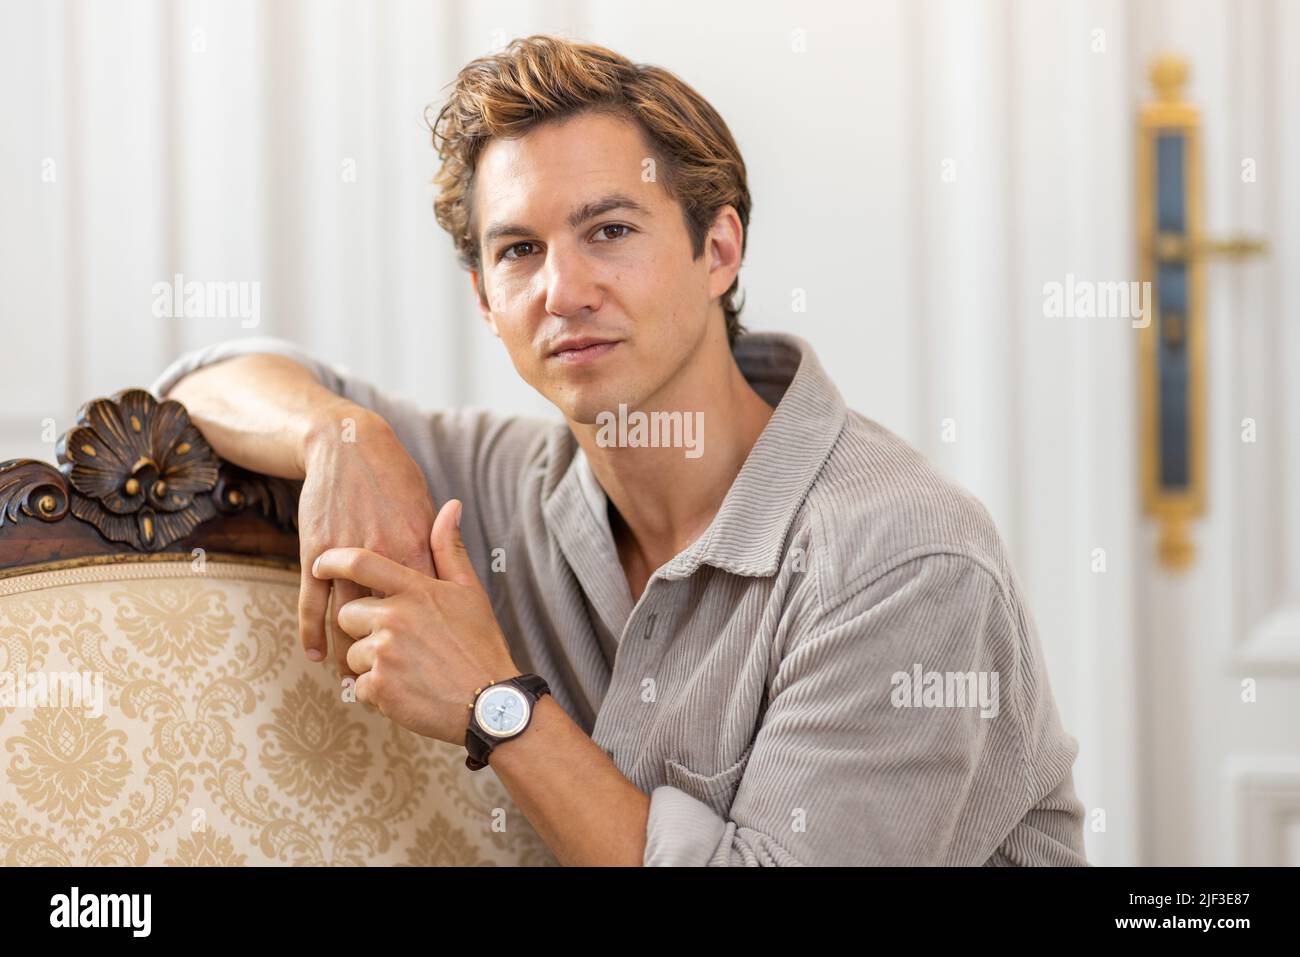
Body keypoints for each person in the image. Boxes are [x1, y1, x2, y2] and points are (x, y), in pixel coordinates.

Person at [152, 34, 1087, 867]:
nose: (564, 289)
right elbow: (207, 380)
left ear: (718, 249)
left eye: (610, 230)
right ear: (485, 300)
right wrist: (341, 434)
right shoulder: (505, 484)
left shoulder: (902, 558)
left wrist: (492, 700)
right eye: (518, 250)